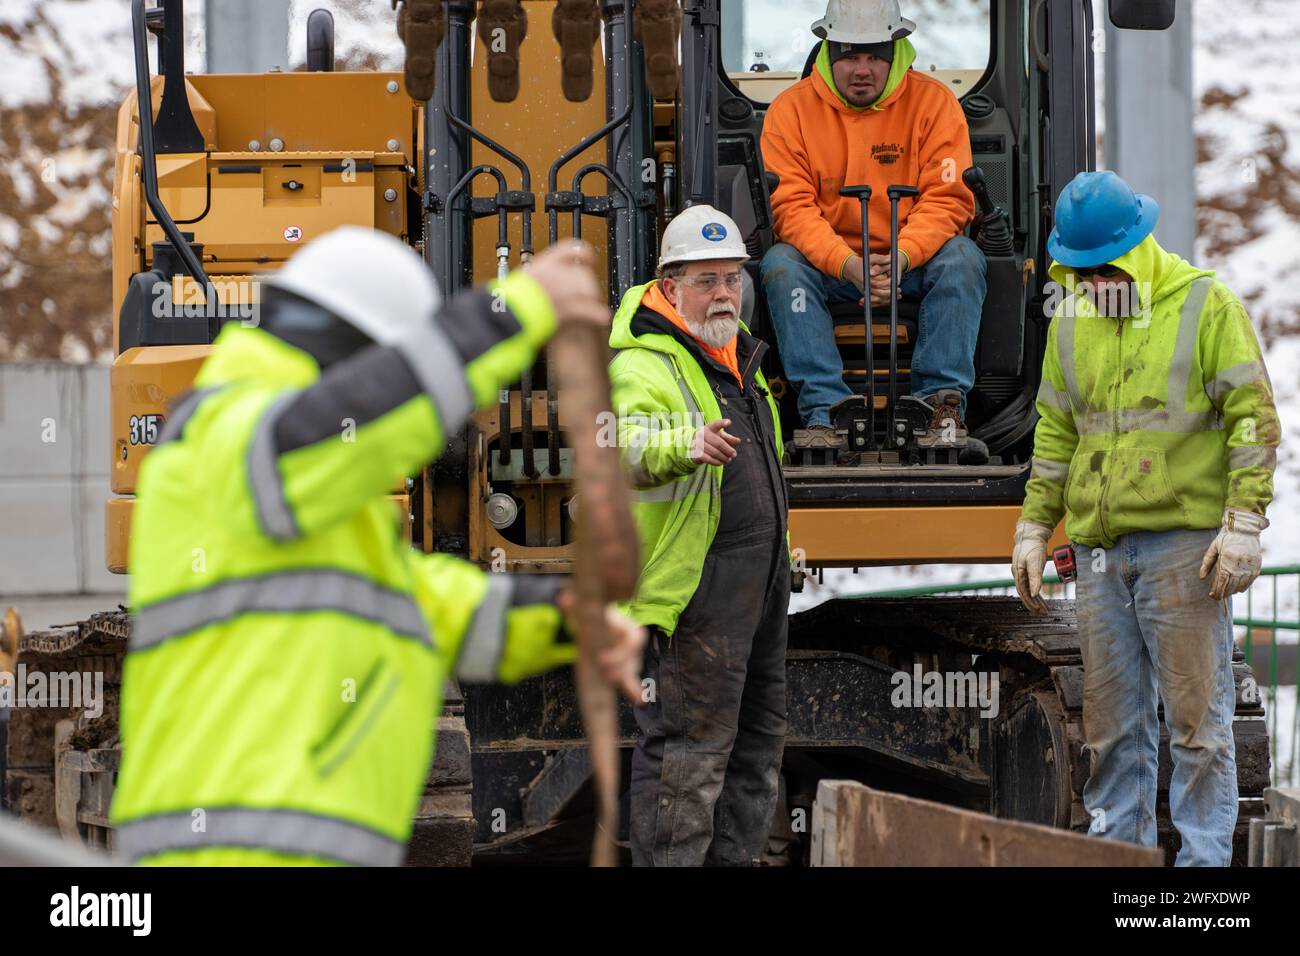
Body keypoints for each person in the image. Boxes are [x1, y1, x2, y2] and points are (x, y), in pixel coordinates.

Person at [111, 228, 644, 866]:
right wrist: (514, 312)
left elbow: (424, 606)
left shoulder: (329, 516)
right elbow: (351, 420)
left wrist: (564, 616)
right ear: (359, 358)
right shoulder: (221, 439)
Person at [1012, 171, 1280, 866]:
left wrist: (1244, 521)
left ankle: (1200, 878)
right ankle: (1119, 867)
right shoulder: (1072, 319)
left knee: (1198, 728)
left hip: (1182, 551)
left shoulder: (1204, 305)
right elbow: (1055, 433)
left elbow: (1253, 417)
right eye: (1079, 271)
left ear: (1134, 251)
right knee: (1112, 732)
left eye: (1102, 271)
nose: (1091, 283)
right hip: (1102, 554)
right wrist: (1035, 528)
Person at [610, 206, 790, 866]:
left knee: (756, 745)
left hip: (760, 587)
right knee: (688, 755)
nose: (723, 293)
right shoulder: (643, 366)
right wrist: (683, 443)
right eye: (707, 279)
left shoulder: (736, 355)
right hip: (697, 590)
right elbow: (622, 446)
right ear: (670, 283)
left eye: (732, 279)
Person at [759, 0, 985, 452]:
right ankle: (825, 414)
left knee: (963, 260)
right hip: (831, 271)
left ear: (896, 51)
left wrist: (899, 258)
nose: (861, 69)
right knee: (782, 265)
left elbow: (948, 200)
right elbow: (791, 208)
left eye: (874, 55)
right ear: (827, 51)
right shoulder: (790, 112)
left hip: (914, 263)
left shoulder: (935, 105)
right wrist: (849, 265)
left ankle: (939, 406)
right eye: (848, 55)